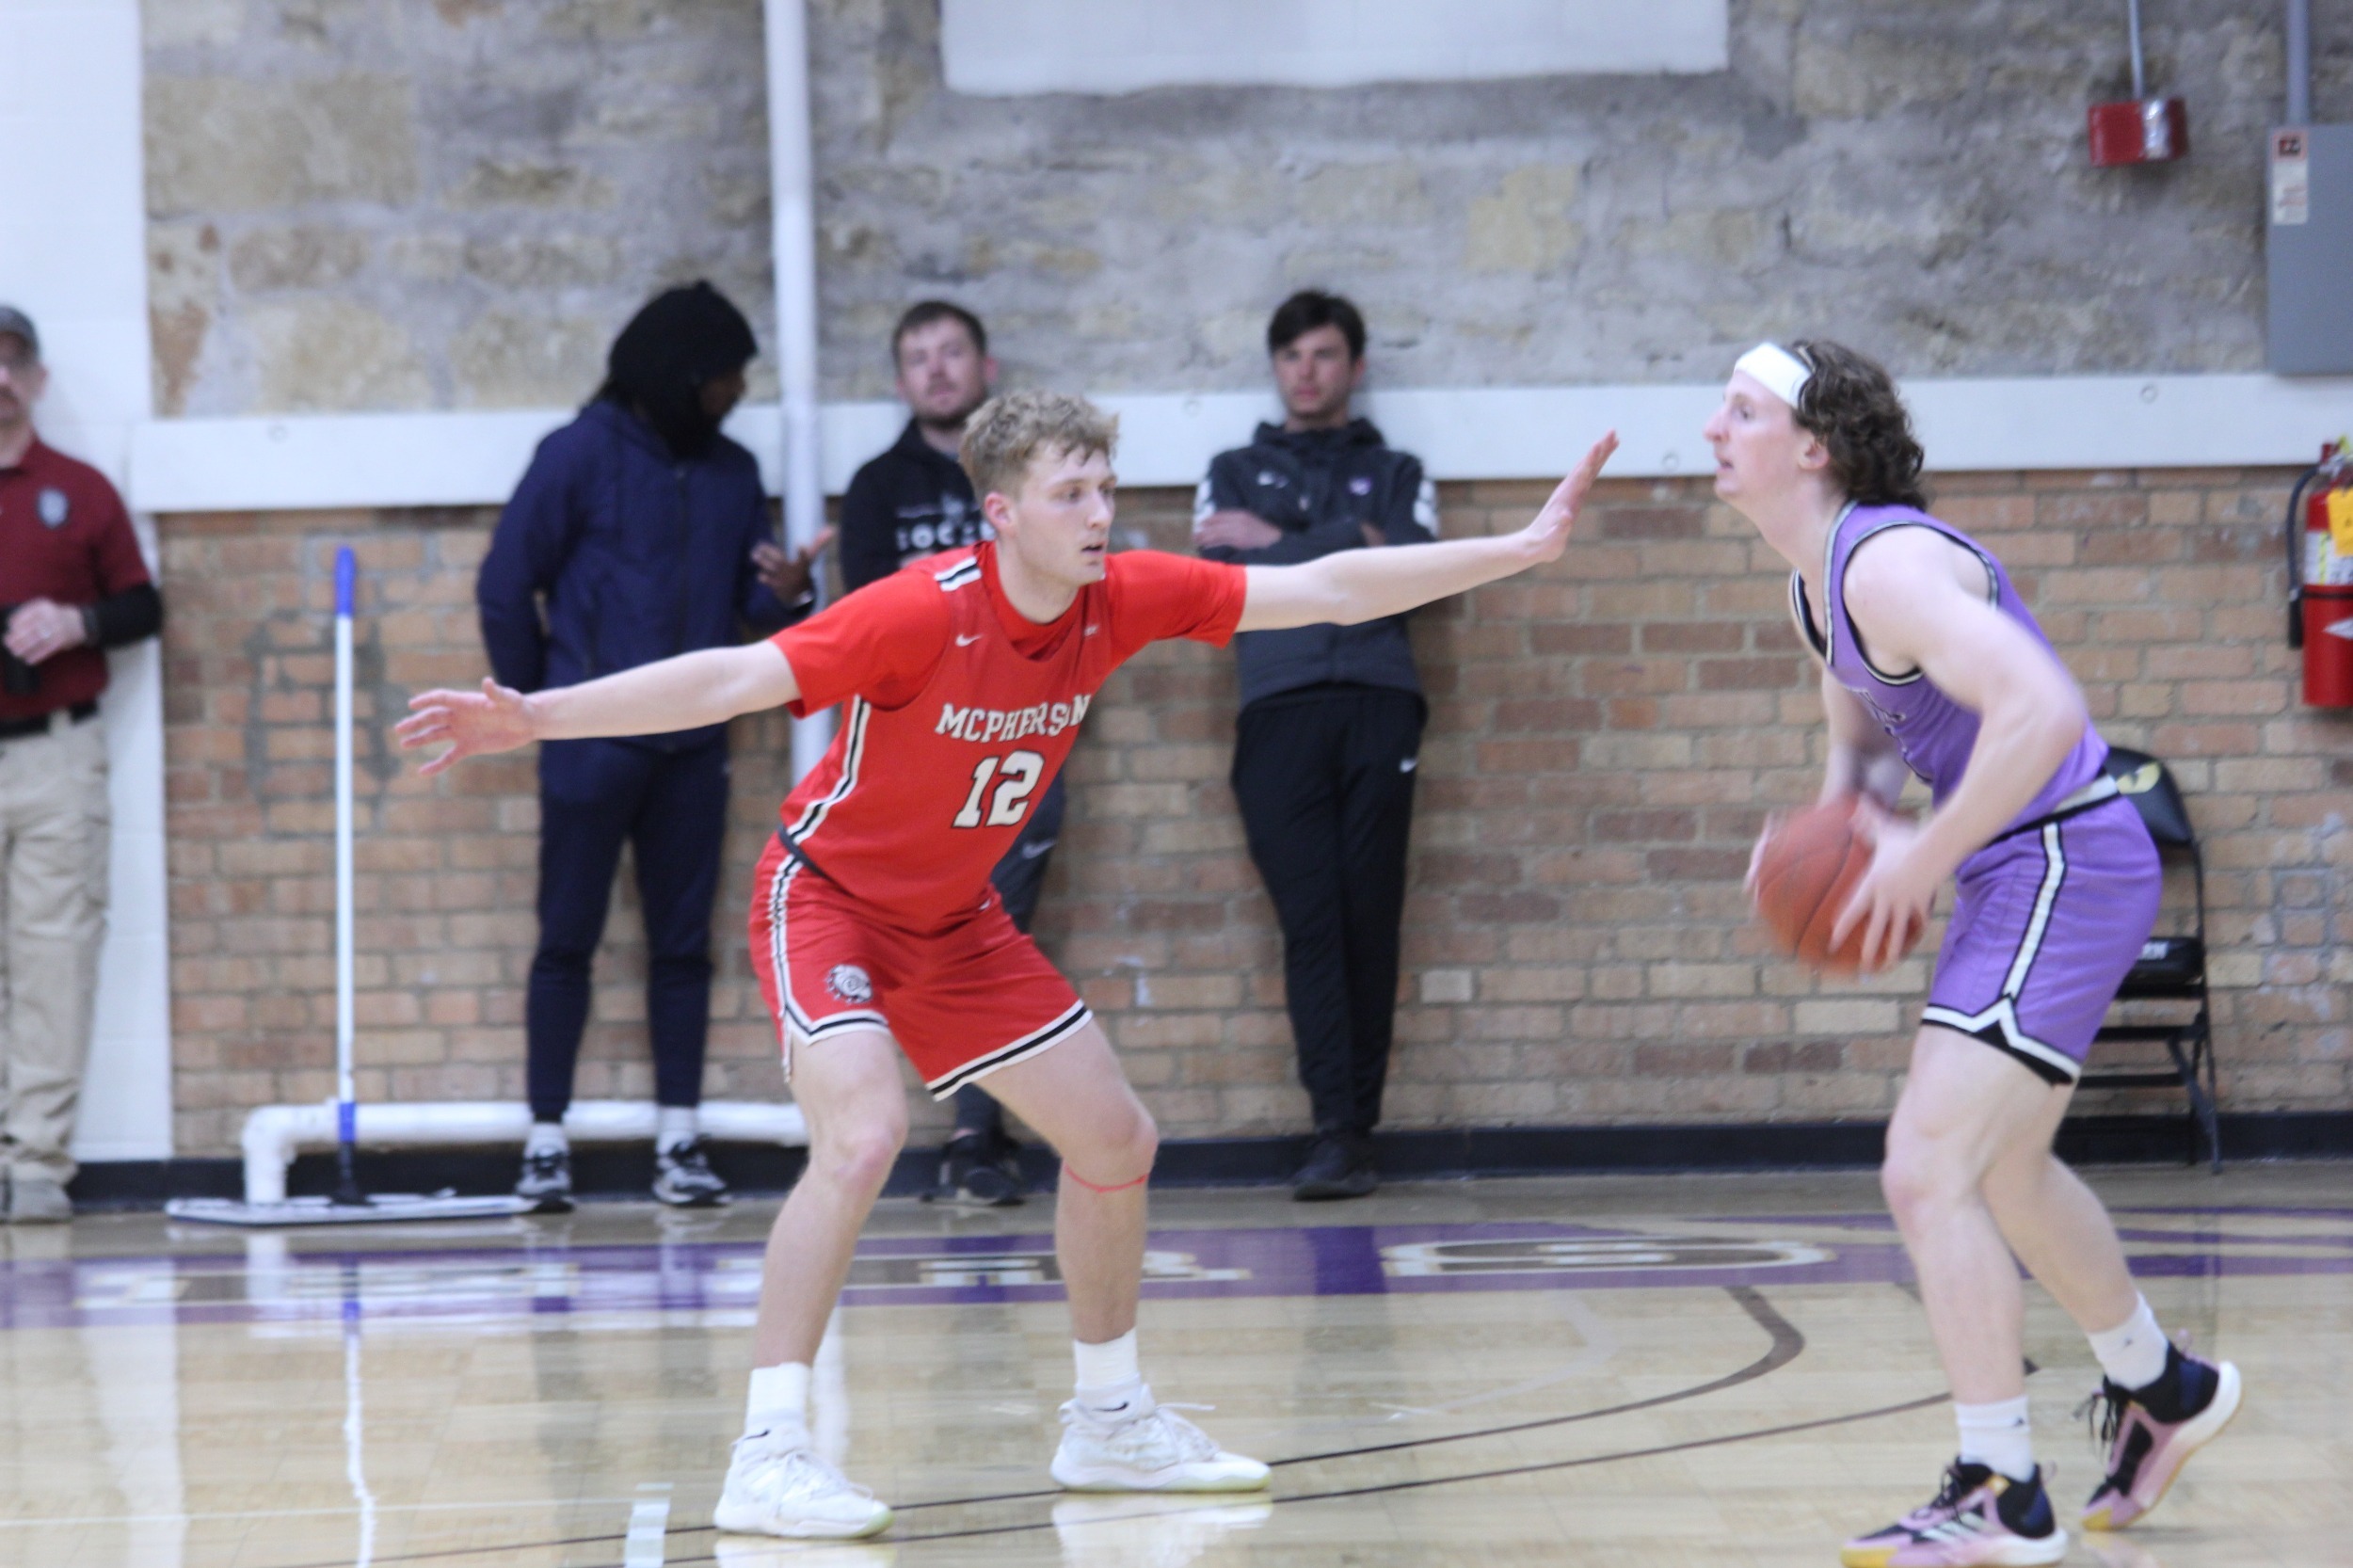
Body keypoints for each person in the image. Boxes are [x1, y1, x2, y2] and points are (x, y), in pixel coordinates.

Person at [402, 391, 1617, 1540]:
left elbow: (1325, 584)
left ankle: (1108, 1419)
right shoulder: (918, 609)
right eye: (1073, 493)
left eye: (1106, 489)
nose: (1101, 515)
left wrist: (1513, 548)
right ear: (1003, 513)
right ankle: (767, 1451)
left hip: (954, 922)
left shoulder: (1120, 597)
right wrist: (538, 714)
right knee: (866, 1134)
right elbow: (736, 676)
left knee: (1115, 1140)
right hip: (827, 902)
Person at [1709, 341, 2241, 1567]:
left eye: (1739, 410)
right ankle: (2164, 1385)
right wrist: (1840, 828)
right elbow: (1867, 759)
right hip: (2028, 865)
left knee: (1924, 1165)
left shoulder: (1887, 562)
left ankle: (2000, 1483)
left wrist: (1919, 855)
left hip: (2061, 855)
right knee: (2001, 1170)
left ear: (1814, 445)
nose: (1711, 429)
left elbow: (2046, 710)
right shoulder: (1814, 584)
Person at [476, 282, 826, 1212]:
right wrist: (535, 709)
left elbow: (750, 607)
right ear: (680, 377)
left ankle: (680, 1137)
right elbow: (507, 585)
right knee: (566, 940)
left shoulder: (730, 472)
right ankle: (544, 1143)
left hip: (691, 753)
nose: (736, 391)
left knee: (684, 948)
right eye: (725, 376)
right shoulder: (577, 456)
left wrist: (789, 591)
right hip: (591, 752)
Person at [1193, 291, 1436, 1201]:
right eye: (1291, 354)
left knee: (1370, 915)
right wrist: (1348, 547)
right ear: (1275, 366)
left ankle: (1351, 1134)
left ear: (1355, 367)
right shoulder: (1231, 468)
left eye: (1325, 354)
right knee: (1312, 920)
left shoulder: (1402, 467)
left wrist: (1283, 542)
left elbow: (1416, 571)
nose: (1307, 371)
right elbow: (1217, 584)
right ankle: (1330, 1121)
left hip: (1379, 702)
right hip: (1278, 709)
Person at [839, 299, 1043, 1206]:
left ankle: (979, 1135)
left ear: (985, 364)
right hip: (919, 748)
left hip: (1022, 734)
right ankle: (955, 1133)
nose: (936, 369)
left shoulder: (1027, 476)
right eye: (917, 356)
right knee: (924, 933)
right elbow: (870, 623)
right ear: (899, 379)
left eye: (951, 351)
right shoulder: (878, 485)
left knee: (999, 929)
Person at [0, 304, 164, 1224]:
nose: (0, 380)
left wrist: (76, 622)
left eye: (12, 361)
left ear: (37, 378)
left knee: (53, 957)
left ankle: (35, 1163)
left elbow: (145, 607)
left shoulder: (80, 489)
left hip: (55, 754)